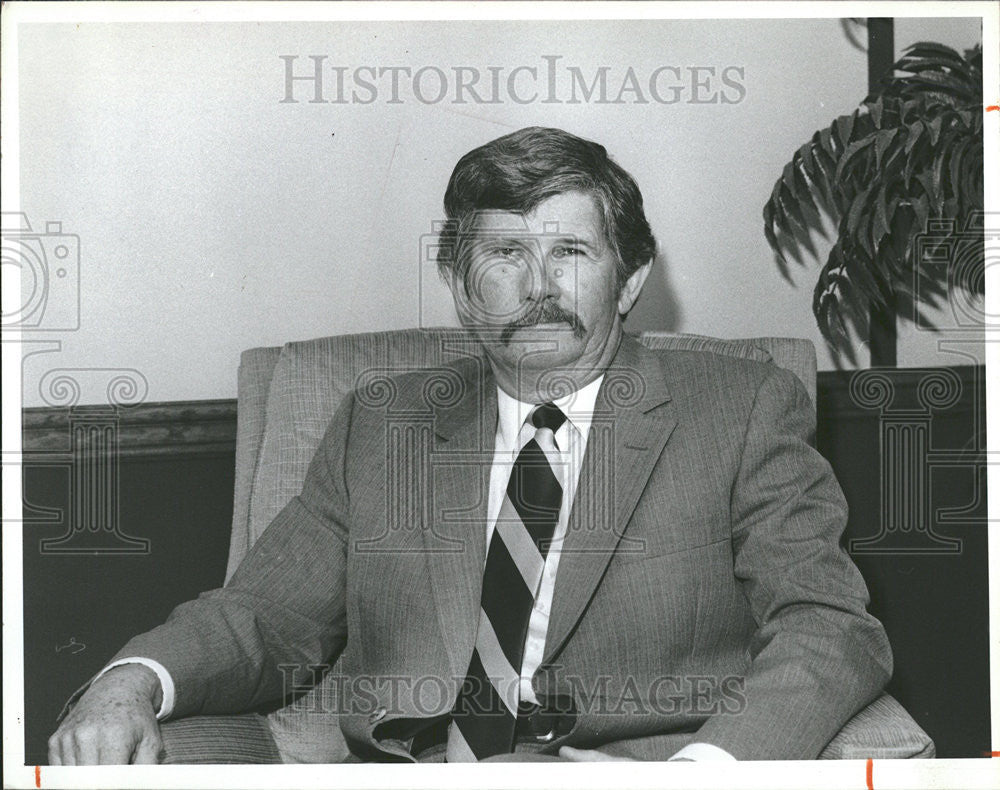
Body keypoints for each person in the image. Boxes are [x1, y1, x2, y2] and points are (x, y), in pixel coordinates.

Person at [48, 126, 891, 765]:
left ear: (630, 279)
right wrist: (129, 681)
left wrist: (704, 773)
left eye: (570, 251)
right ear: (460, 285)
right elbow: (266, 615)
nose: (538, 287)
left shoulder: (739, 409)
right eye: (504, 255)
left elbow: (827, 624)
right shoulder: (382, 423)